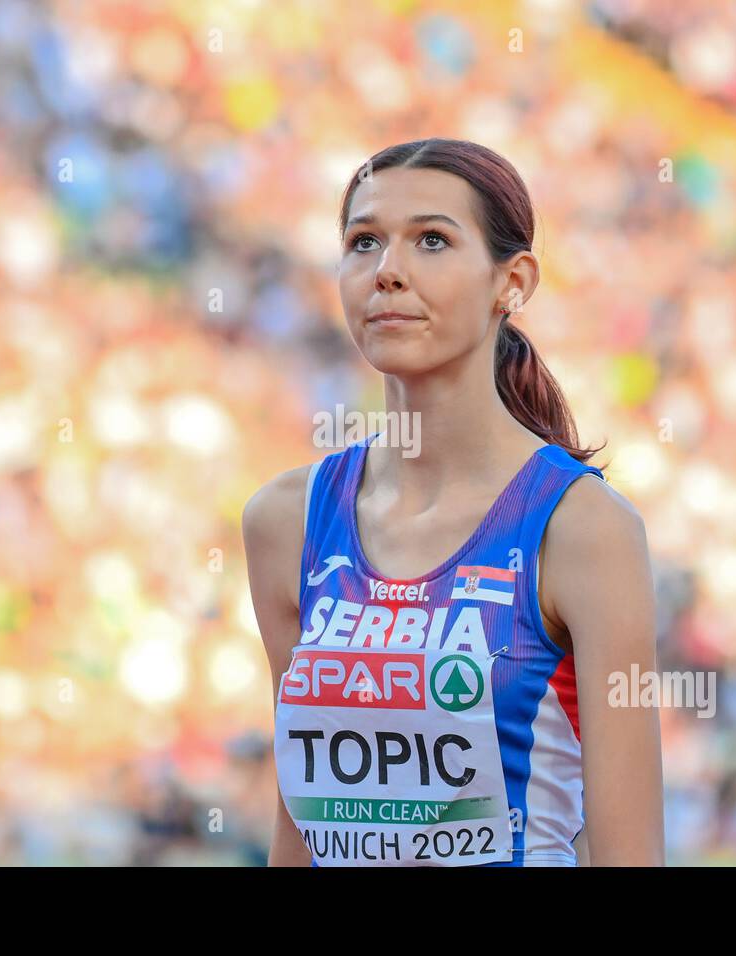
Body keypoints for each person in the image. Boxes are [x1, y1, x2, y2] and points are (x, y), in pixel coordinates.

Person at [243, 138, 664, 866]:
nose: (388, 272)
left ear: (513, 281)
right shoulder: (285, 521)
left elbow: (630, 855)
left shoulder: (583, 530)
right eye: (362, 242)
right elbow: (301, 828)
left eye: (432, 240)